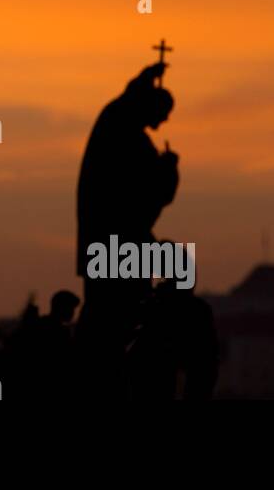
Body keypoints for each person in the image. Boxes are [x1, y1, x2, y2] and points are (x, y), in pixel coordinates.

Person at [74, 61, 179, 396]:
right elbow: (142, 192)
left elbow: (154, 197)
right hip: (112, 242)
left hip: (126, 245)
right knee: (108, 317)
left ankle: (113, 373)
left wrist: (166, 172)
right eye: (161, 113)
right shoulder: (118, 129)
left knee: (126, 314)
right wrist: (142, 81)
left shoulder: (134, 139)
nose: (163, 123)